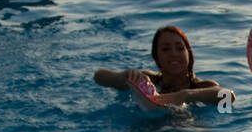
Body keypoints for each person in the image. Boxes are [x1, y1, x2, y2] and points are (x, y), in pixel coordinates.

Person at [94, 25, 234, 106]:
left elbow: (228, 96)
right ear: (157, 57)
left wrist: (186, 96)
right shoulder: (148, 80)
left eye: (179, 48)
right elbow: (99, 76)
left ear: (189, 55)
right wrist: (124, 76)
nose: (174, 54)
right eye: (166, 49)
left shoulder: (201, 86)